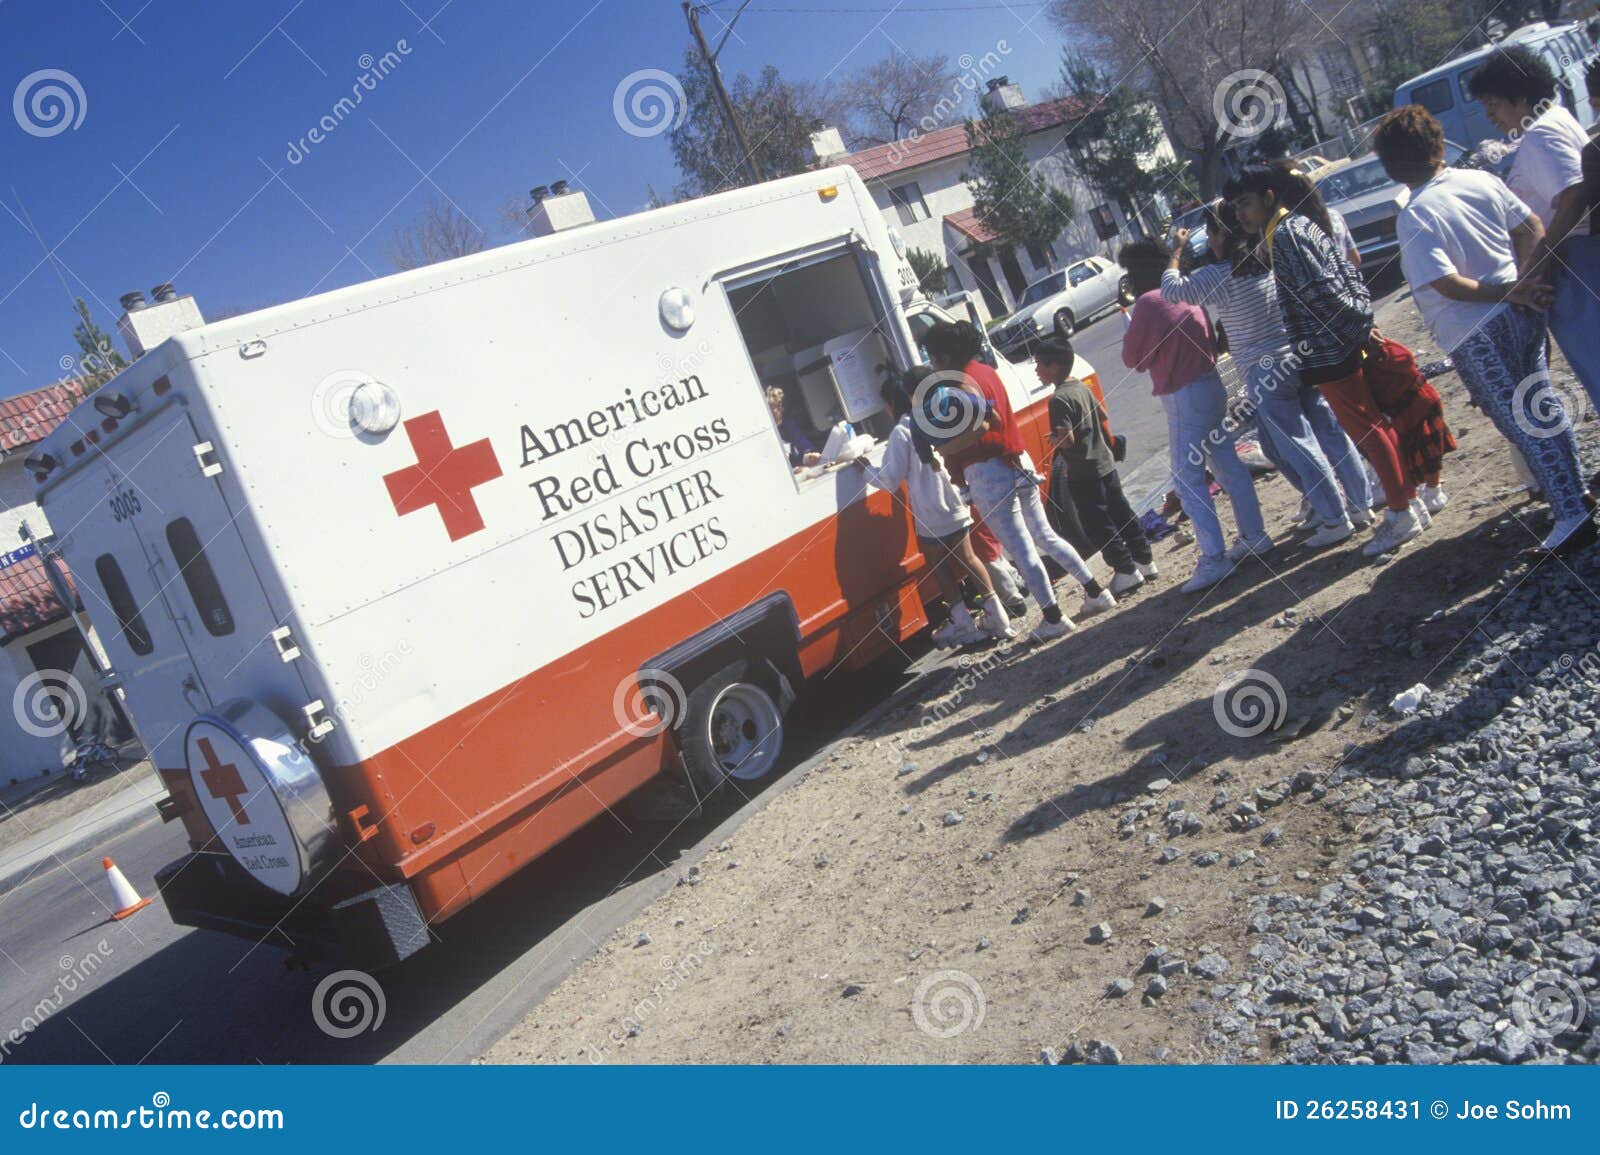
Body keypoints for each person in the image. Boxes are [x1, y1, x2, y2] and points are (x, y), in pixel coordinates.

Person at [1374, 104, 1595, 556]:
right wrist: (1528, 281)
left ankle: (1571, 515)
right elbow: (1531, 226)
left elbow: (1446, 283)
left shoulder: (1414, 215)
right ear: (1438, 145)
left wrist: (1512, 290)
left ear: (1393, 167)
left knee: (1523, 423)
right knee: (1543, 407)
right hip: (1519, 318)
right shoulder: (1480, 180)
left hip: (1474, 332)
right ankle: (1576, 498)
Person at [1227, 165, 1430, 555]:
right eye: (1236, 208)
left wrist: (1356, 326)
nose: (1240, 215)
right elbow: (1345, 272)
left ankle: (1402, 512)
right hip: (1333, 346)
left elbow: (1327, 291)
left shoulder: (1286, 235)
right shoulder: (1294, 227)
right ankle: (1409, 503)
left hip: (1328, 350)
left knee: (1368, 430)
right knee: (1372, 427)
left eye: (1245, 204)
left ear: (1270, 196)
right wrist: (1360, 322)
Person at [1160, 201, 1358, 549]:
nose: (1206, 239)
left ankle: (1336, 517)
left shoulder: (1221, 274)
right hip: (1295, 358)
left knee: (1299, 444)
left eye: (1209, 232)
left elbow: (1172, 291)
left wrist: (1176, 250)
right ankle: (1357, 501)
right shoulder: (1264, 259)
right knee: (1298, 437)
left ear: (1221, 232)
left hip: (1264, 369)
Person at [921, 320, 1115, 641]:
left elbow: (983, 426)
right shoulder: (986, 371)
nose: (931, 364)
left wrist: (944, 448)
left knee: (1021, 549)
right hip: (1018, 459)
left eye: (932, 357)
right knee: (1045, 535)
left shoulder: (961, 383)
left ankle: (1053, 617)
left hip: (987, 472)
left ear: (944, 356)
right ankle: (1095, 591)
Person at [1119, 239, 1269, 592]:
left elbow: (1132, 361)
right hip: (1210, 384)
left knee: (1187, 480)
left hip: (1183, 396)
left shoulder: (1147, 303)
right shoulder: (1185, 291)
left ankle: (1214, 559)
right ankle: (1254, 534)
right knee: (1227, 464)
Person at [1469, 45, 1600, 428]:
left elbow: (1573, 195)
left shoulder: (1541, 134)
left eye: (1493, 104)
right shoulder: (1557, 120)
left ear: (1521, 97)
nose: (1489, 115)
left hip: (1574, 264)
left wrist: (1539, 260)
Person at [856, 368, 1015, 643]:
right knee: (969, 558)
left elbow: (890, 480)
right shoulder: (936, 417)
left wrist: (865, 469)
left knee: (939, 564)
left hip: (930, 511)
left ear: (893, 403)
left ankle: (964, 623)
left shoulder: (901, 432)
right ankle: (998, 617)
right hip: (954, 499)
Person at [1033, 336, 1158, 594]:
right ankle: (1145, 560)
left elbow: (1067, 440)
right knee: (1122, 511)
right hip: (1105, 463)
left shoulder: (1058, 400)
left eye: (1039, 365)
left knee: (1098, 524)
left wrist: (1055, 439)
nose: (1036, 371)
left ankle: (1125, 571)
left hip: (1083, 472)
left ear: (1053, 367)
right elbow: (1103, 416)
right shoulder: (1080, 387)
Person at [765, 385, 821, 471]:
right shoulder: (764, 437)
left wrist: (808, 457)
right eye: (777, 407)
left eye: (781, 406)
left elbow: (804, 448)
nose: (782, 410)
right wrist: (795, 469)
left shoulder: (788, 425)